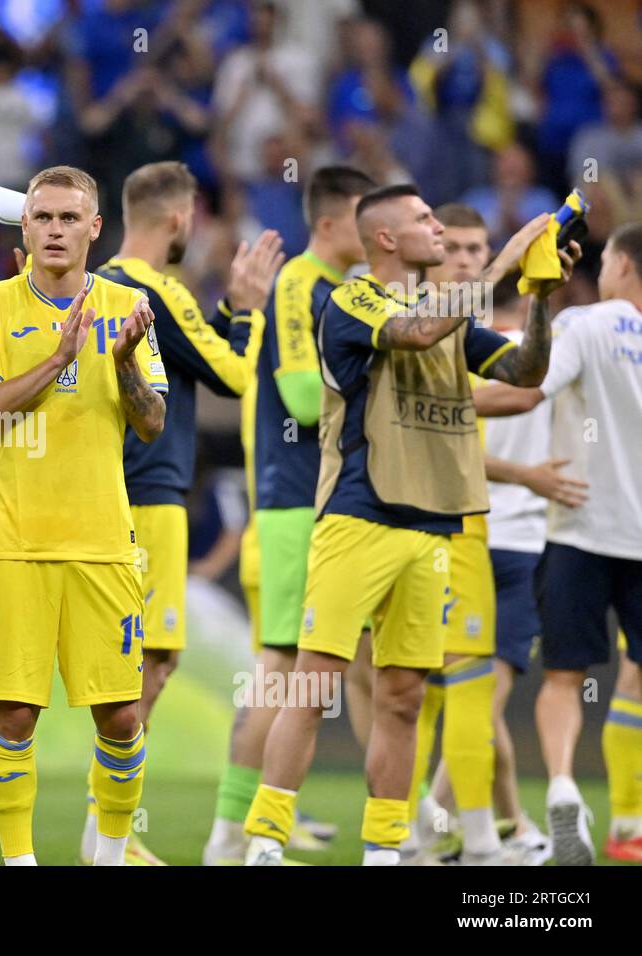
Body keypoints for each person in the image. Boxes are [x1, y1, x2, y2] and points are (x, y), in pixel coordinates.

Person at [242, 183, 574, 866]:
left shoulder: (448, 314)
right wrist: (504, 261)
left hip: (433, 528)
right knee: (312, 685)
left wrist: (538, 297)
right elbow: (417, 332)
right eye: (426, 221)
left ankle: (386, 850)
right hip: (358, 518)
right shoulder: (354, 299)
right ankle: (265, 843)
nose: (438, 232)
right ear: (386, 239)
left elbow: (524, 373)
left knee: (402, 697)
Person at [0, 165, 167, 866]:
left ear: (94, 229)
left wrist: (127, 361)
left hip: (104, 542)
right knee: (12, 714)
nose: (53, 230)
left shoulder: (129, 306)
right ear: (26, 226)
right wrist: (59, 358)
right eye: (41, 217)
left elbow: (152, 424)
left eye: (69, 218)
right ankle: (18, 860)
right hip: (15, 543)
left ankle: (106, 854)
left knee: (122, 715)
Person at [89, 160, 278, 866]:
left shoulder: (102, 283)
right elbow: (231, 371)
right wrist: (252, 305)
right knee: (150, 663)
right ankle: (104, 834)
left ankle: (96, 831)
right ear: (177, 218)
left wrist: (227, 311)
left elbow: (198, 356)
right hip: (149, 497)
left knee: (118, 664)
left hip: (108, 491)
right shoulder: (155, 288)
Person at [204, 166, 375, 865]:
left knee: (362, 668)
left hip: (329, 505)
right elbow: (306, 400)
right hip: (293, 505)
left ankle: (406, 817)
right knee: (287, 670)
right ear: (332, 221)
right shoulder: (300, 286)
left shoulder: (339, 291)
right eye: (369, 216)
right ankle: (233, 834)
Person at [474, 221, 642, 865]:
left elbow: (524, 392)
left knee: (565, 678)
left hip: (579, 529)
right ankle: (628, 816)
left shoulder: (586, 325)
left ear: (622, 265)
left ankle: (565, 784)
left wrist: (441, 404)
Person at [404, 203, 553, 865]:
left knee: (471, 693)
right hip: (403, 529)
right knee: (404, 691)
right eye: (456, 248)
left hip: (484, 533)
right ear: (432, 251)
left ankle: (478, 835)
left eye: (478, 249)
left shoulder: (472, 337)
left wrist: (540, 300)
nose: (466, 259)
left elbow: (525, 384)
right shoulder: (396, 319)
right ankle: (406, 834)